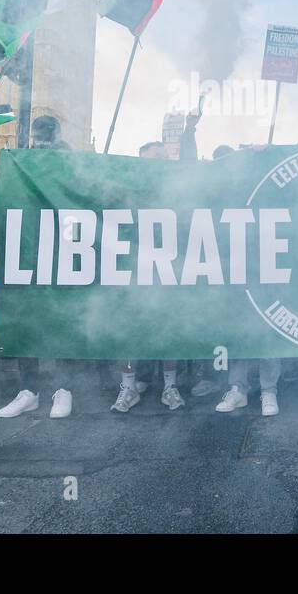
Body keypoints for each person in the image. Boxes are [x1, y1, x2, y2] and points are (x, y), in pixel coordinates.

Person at [0, 114, 78, 419]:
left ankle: (64, 389)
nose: (41, 140)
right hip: (29, 249)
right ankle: (29, 390)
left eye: (45, 134)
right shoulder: (22, 160)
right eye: (37, 134)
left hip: (62, 249)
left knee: (61, 323)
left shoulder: (68, 161)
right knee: (27, 322)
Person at [110, 138, 189, 412]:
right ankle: (128, 387)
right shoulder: (127, 188)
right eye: (151, 159)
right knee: (128, 328)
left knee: (167, 327)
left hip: (167, 266)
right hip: (132, 266)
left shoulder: (177, 189)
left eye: (160, 158)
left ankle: (170, 386)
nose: (156, 164)